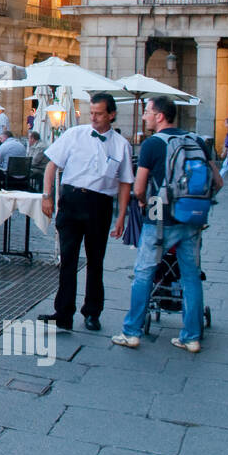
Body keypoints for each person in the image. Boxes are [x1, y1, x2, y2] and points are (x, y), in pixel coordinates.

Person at [112, 96, 222, 353]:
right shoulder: (196, 141)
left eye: (148, 112)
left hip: (160, 219)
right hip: (193, 219)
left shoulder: (152, 145)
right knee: (191, 276)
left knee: (144, 273)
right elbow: (218, 181)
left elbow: (139, 189)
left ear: (160, 115)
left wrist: (143, 203)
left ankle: (132, 332)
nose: (144, 116)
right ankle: (191, 337)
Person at [39, 92, 135, 332]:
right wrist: (47, 195)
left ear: (111, 115)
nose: (93, 117)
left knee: (96, 261)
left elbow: (125, 183)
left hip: (99, 204)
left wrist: (121, 216)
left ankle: (92, 313)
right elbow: (52, 164)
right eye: (91, 113)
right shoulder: (74, 134)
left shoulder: (122, 145)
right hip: (71, 200)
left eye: (99, 113)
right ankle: (63, 313)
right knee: (68, 260)